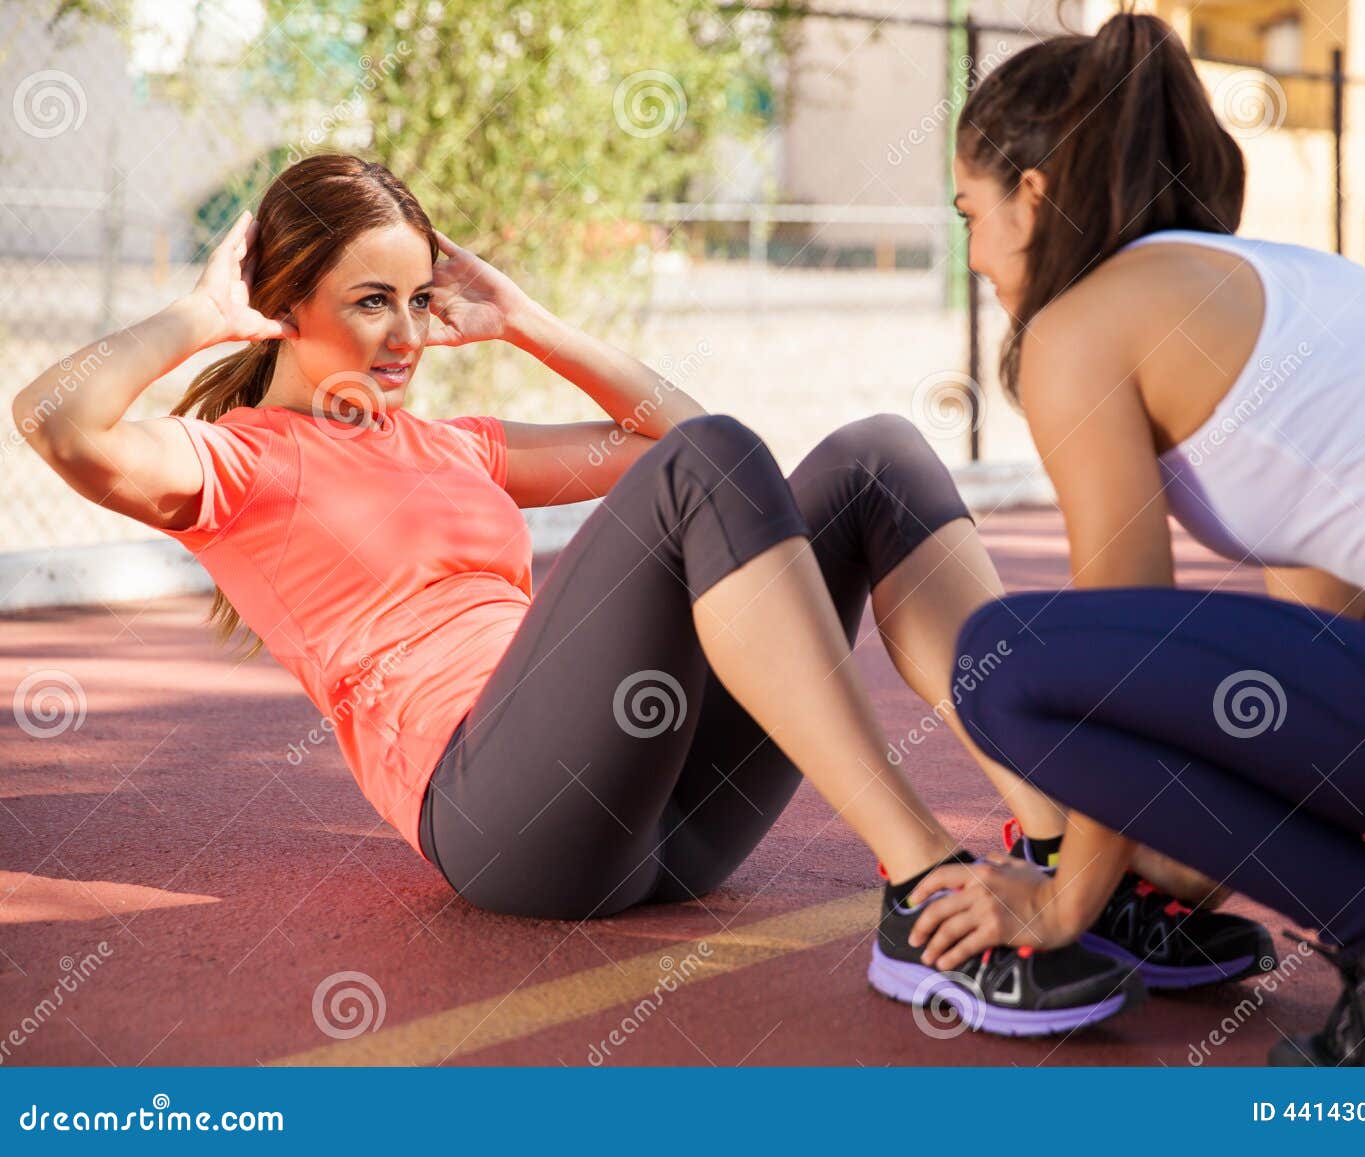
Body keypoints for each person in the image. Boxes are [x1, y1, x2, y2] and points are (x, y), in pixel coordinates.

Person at [10, 153, 1272, 1039]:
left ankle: (1067, 853)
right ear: (284, 306)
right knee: (708, 465)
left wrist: (530, 320)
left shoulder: (453, 445)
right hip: (505, 825)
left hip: (665, 820)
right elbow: (56, 421)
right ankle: (922, 886)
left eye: (415, 300)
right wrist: (190, 315)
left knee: (877, 453)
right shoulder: (237, 466)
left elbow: (690, 435)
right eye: (368, 303)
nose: (403, 335)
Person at [902, 13, 1365, 1066]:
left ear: (1032, 196)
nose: (972, 252)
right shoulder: (1266, 293)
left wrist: (1067, 901)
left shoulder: (1078, 327)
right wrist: (1186, 862)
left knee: (1002, 663)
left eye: (970, 211)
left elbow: (1106, 650)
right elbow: (1311, 658)